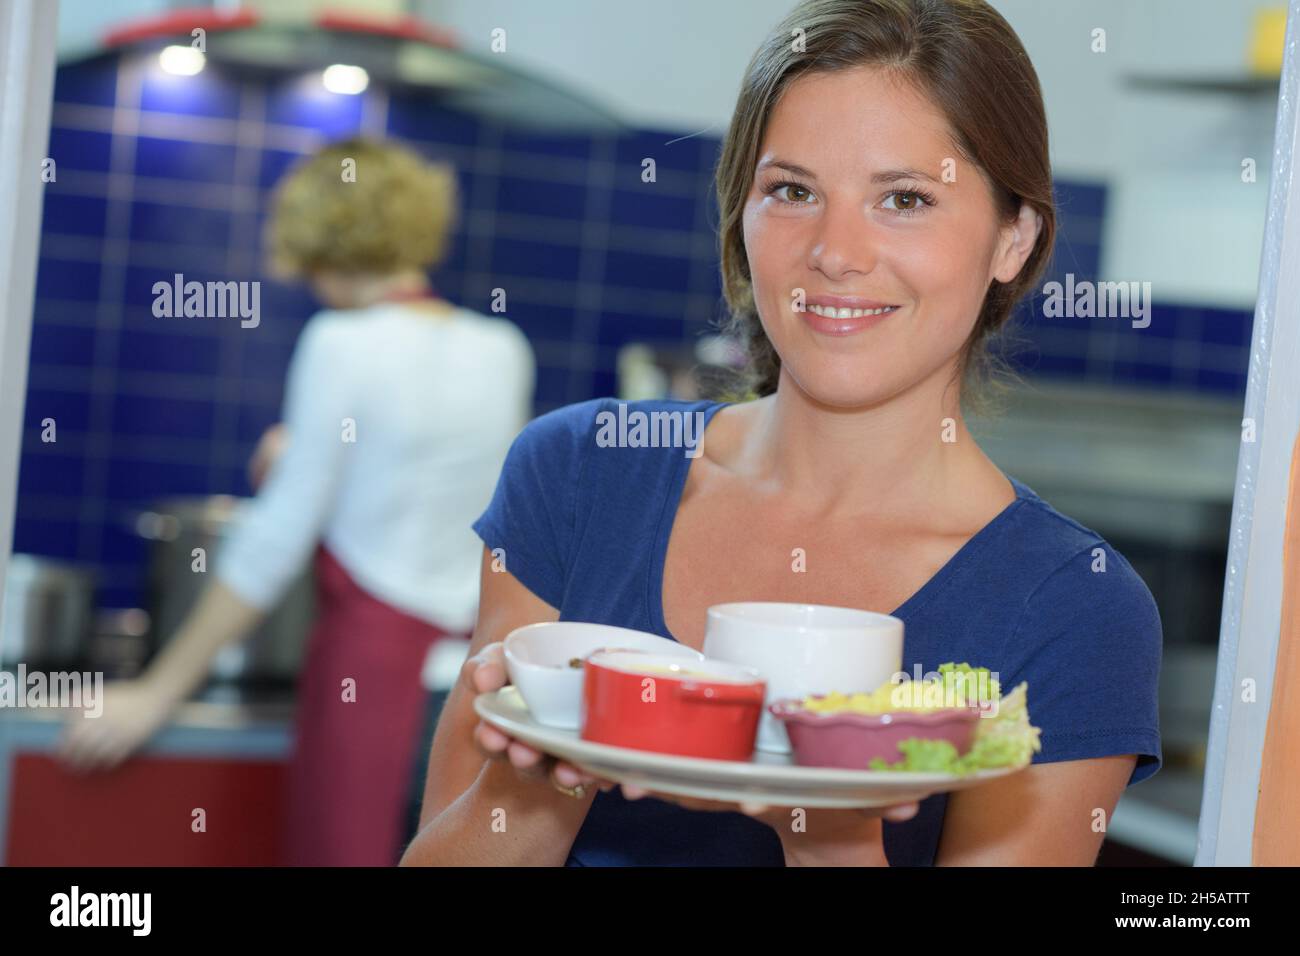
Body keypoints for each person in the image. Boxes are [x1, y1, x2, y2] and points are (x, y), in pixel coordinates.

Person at [401, 0, 1164, 868]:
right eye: (792, 191)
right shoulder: (577, 472)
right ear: (741, 213)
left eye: (905, 198)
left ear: (1012, 239)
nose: (836, 252)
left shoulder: (1074, 610)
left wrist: (830, 827)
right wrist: (542, 770)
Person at [58, 138, 536, 867]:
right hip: (469, 689)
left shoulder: (340, 341)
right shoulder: (500, 348)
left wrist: (155, 692)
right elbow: (448, 496)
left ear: (318, 239)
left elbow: (276, 538)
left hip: (370, 687)